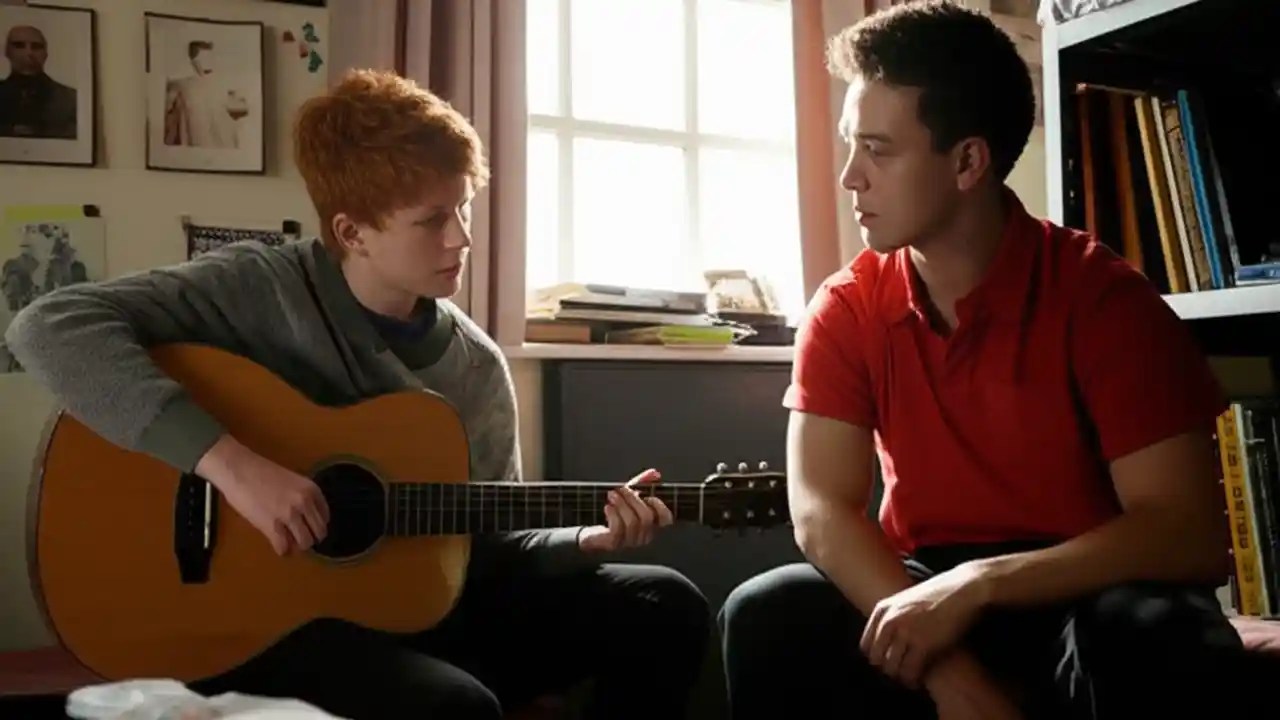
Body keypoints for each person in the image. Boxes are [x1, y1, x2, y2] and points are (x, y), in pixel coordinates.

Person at [5, 69, 709, 720]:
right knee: (451, 707)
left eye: (464, 209)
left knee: (661, 603)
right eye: (432, 219)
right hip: (266, 614)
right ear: (352, 231)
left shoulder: (475, 368)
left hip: (417, 607)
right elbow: (47, 325)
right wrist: (232, 467)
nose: (461, 237)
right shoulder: (258, 289)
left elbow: (493, 548)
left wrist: (587, 539)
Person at [718, 2, 1249, 718]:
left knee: (1151, 629)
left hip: (1080, 584)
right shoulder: (846, 308)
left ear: (969, 160)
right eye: (850, 144)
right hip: (923, 587)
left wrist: (980, 582)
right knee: (771, 609)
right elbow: (821, 511)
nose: (849, 177)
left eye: (877, 149)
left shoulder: (1105, 300)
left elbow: (1185, 533)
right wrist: (948, 670)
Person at [0, 24, 77, 139]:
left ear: (45, 54)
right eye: (19, 45)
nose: (29, 53)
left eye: (36, 47)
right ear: (7, 51)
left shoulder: (69, 100)